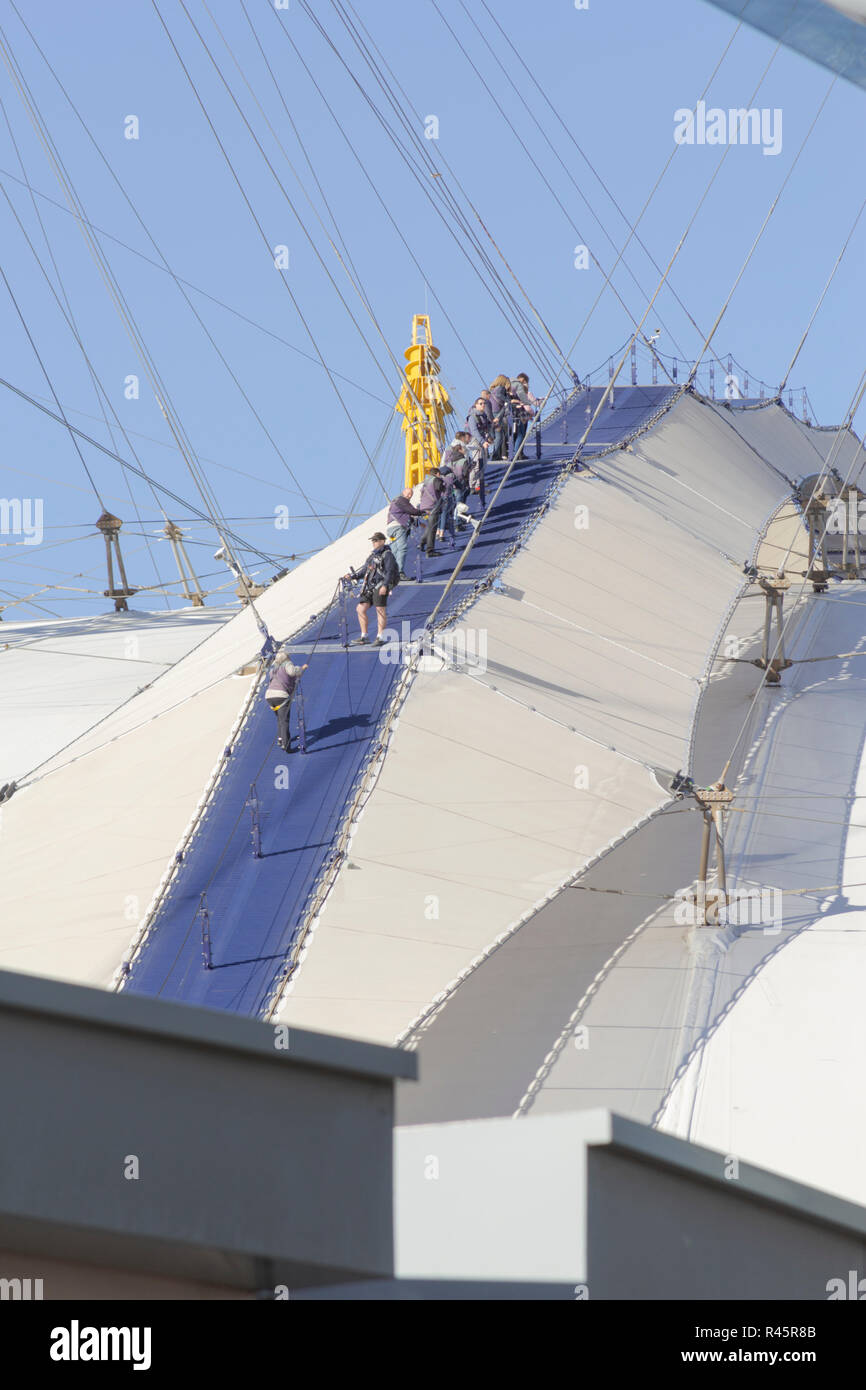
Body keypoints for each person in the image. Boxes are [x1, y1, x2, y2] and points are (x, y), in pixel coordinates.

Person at [343, 532, 400, 645]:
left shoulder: (387, 555)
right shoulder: (372, 556)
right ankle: (364, 636)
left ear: (382, 541)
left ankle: (380, 637)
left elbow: (390, 571)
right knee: (360, 609)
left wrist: (385, 585)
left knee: (380, 610)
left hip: (381, 584)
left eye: (376, 540)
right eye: (373, 541)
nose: (374, 543)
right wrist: (352, 576)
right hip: (370, 586)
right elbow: (365, 571)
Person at [264, 646, 308, 753]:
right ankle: (286, 746)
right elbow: (293, 672)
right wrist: (302, 668)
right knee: (284, 721)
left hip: (270, 696)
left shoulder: (273, 669)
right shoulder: (287, 664)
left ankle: (280, 739)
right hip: (281, 696)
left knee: (280, 719)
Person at [386, 486, 422, 580]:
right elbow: (412, 511)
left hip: (390, 529)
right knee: (402, 548)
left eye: (411, 494)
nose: (410, 495)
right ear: (403, 493)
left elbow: (404, 513)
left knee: (394, 550)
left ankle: (391, 572)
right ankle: (399, 572)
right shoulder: (402, 500)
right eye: (408, 493)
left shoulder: (395, 501)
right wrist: (422, 512)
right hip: (398, 527)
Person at [509, 373, 540, 461]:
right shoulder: (525, 392)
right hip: (522, 416)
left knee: (518, 435)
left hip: (519, 415)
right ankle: (517, 453)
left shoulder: (515, 391)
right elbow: (533, 404)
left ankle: (518, 453)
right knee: (520, 435)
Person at [418, 467, 446, 557]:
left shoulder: (425, 482)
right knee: (433, 529)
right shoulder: (436, 480)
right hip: (432, 506)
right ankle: (430, 551)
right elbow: (441, 488)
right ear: (437, 473)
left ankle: (422, 542)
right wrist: (444, 483)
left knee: (430, 527)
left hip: (424, 507)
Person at [488, 374, 512, 460]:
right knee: (499, 435)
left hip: (492, 413)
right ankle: (495, 455)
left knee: (498, 435)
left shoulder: (493, 390)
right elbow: (500, 396)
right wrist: (508, 400)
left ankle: (496, 454)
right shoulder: (500, 388)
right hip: (497, 413)